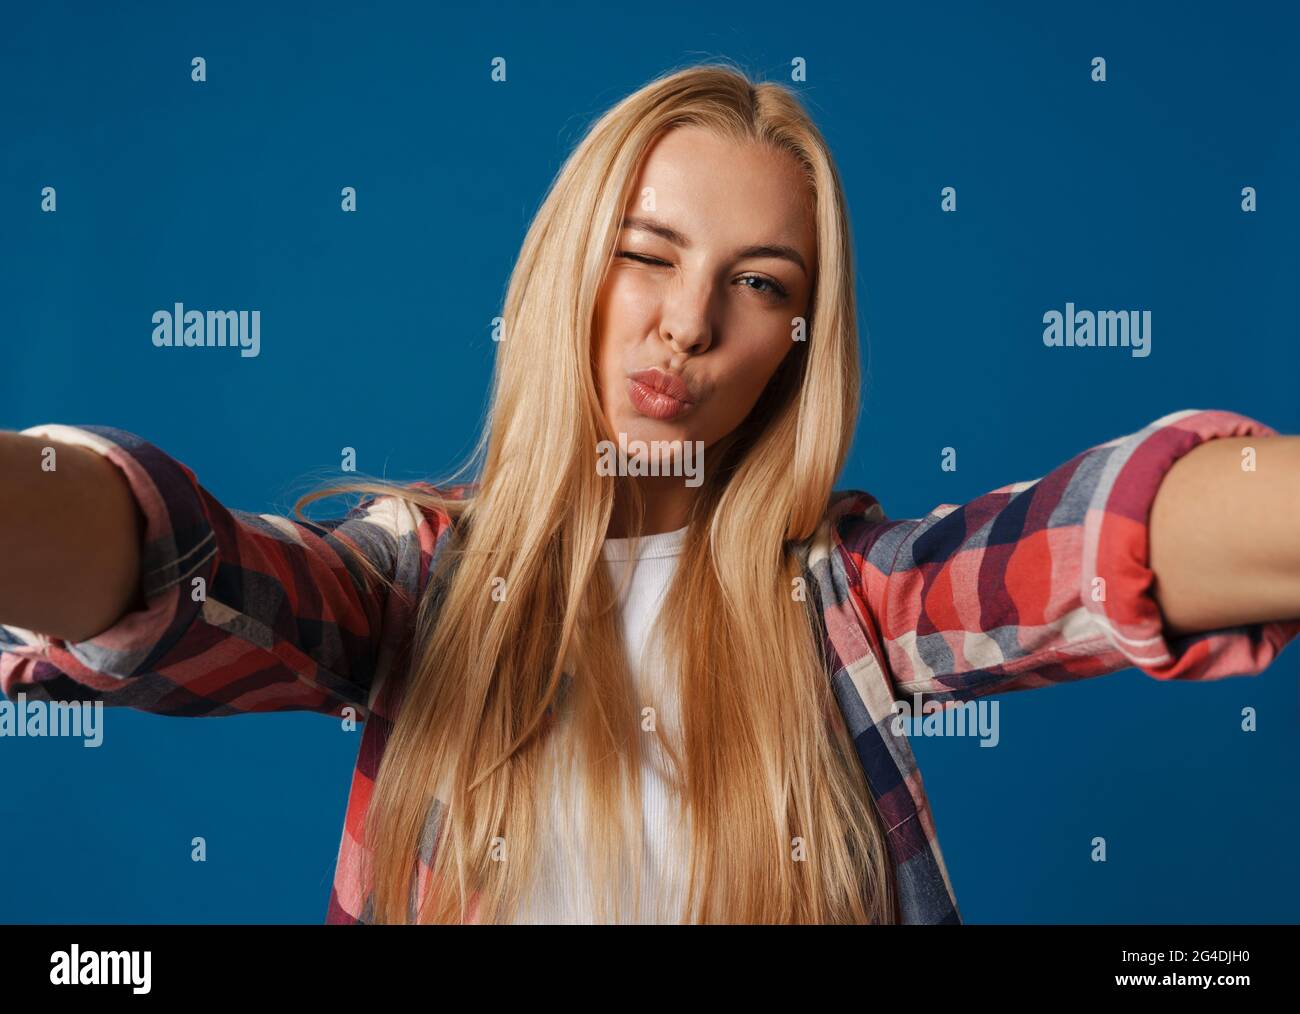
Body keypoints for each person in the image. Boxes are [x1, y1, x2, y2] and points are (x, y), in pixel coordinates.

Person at [2, 62, 1298, 925]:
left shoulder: (852, 603)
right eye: (646, 255)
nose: (688, 323)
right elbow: (179, 568)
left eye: (761, 283)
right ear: (568, 266)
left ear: (799, 345)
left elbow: (1094, 540)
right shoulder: (412, 588)